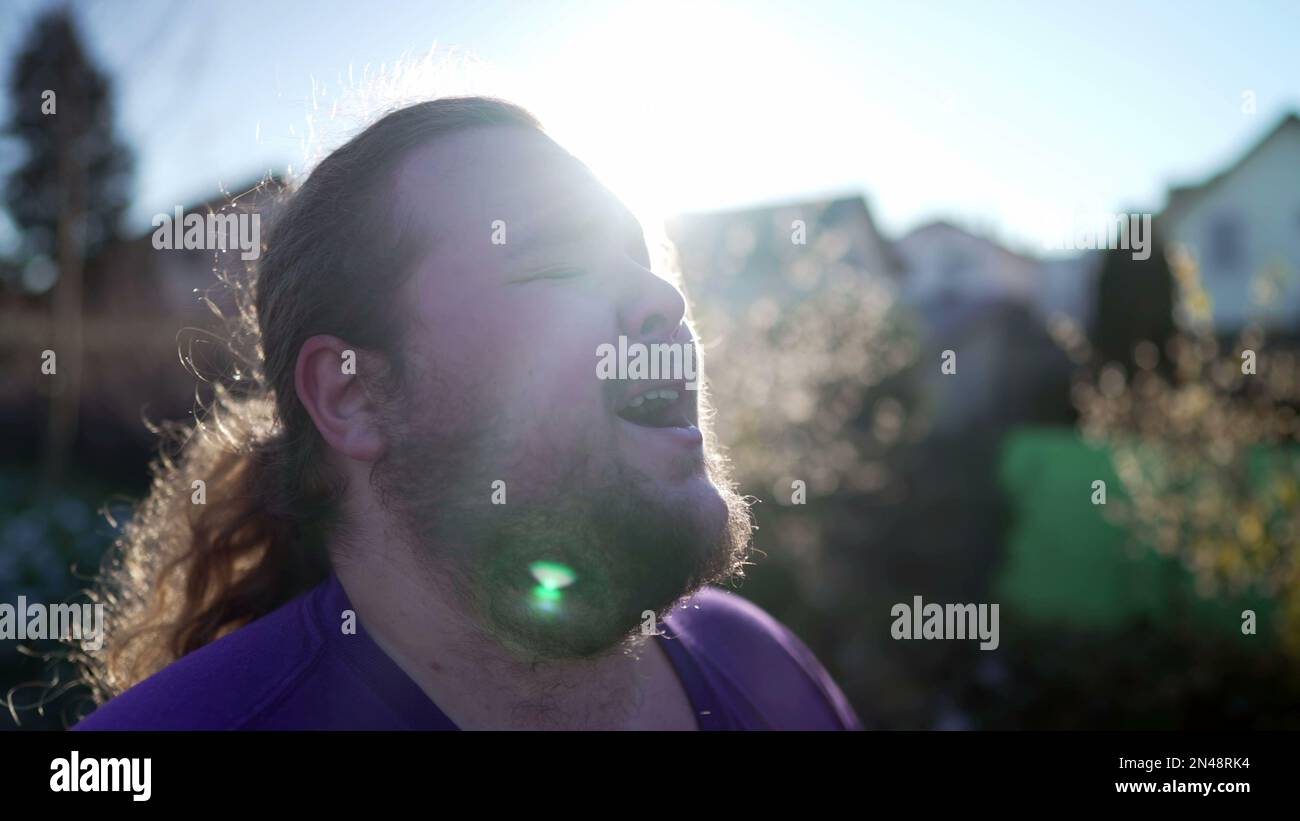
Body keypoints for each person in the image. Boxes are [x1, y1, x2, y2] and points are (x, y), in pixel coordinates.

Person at [73, 97, 861, 730]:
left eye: (640, 260)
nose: (663, 298)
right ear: (353, 395)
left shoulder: (763, 662)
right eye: (555, 259)